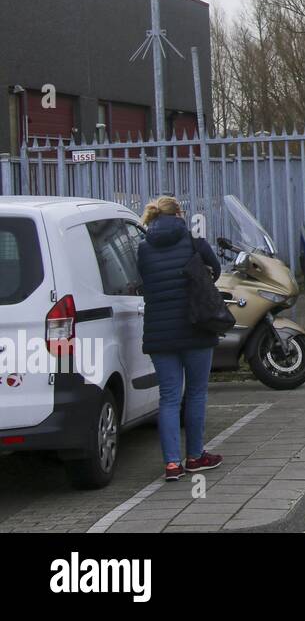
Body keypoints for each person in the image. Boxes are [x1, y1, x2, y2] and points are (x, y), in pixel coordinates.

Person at [136, 196, 224, 481]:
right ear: (179, 215)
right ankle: (196, 457)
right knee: (196, 393)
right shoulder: (194, 243)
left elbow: (143, 282)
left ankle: (172, 464)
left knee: (169, 397)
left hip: (160, 334)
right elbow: (216, 271)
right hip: (196, 327)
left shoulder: (143, 249)